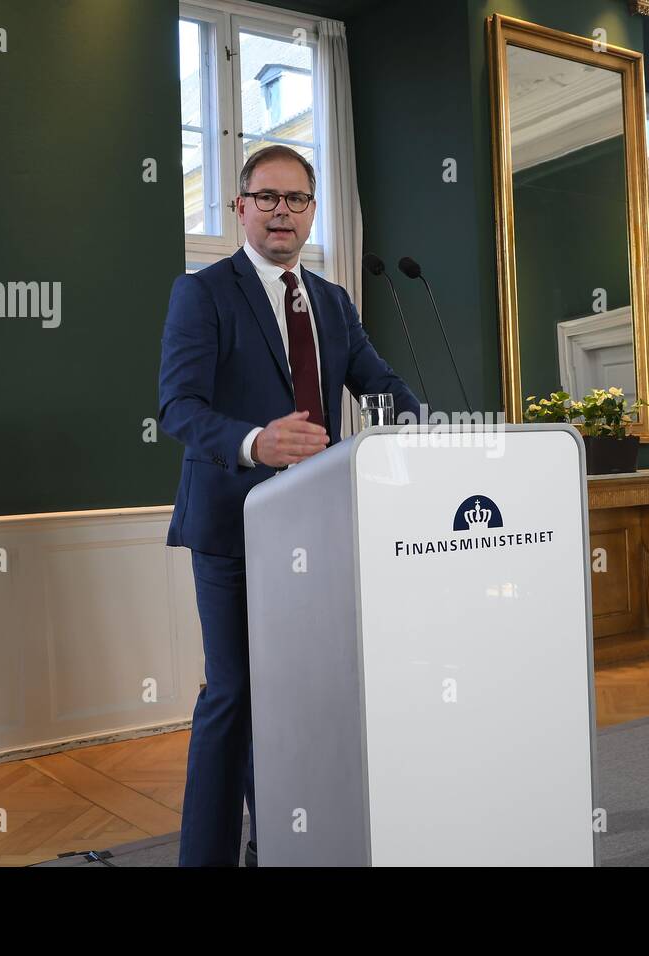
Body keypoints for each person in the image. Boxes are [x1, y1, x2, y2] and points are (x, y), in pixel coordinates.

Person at [157, 145, 420, 866]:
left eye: (296, 199)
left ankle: (279, 839)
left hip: (320, 528)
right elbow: (177, 408)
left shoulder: (332, 302)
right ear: (240, 207)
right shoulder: (203, 293)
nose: (282, 211)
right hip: (232, 532)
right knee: (235, 696)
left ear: (312, 210)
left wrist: (425, 430)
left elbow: (381, 384)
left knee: (302, 695)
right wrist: (253, 442)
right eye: (267, 198)